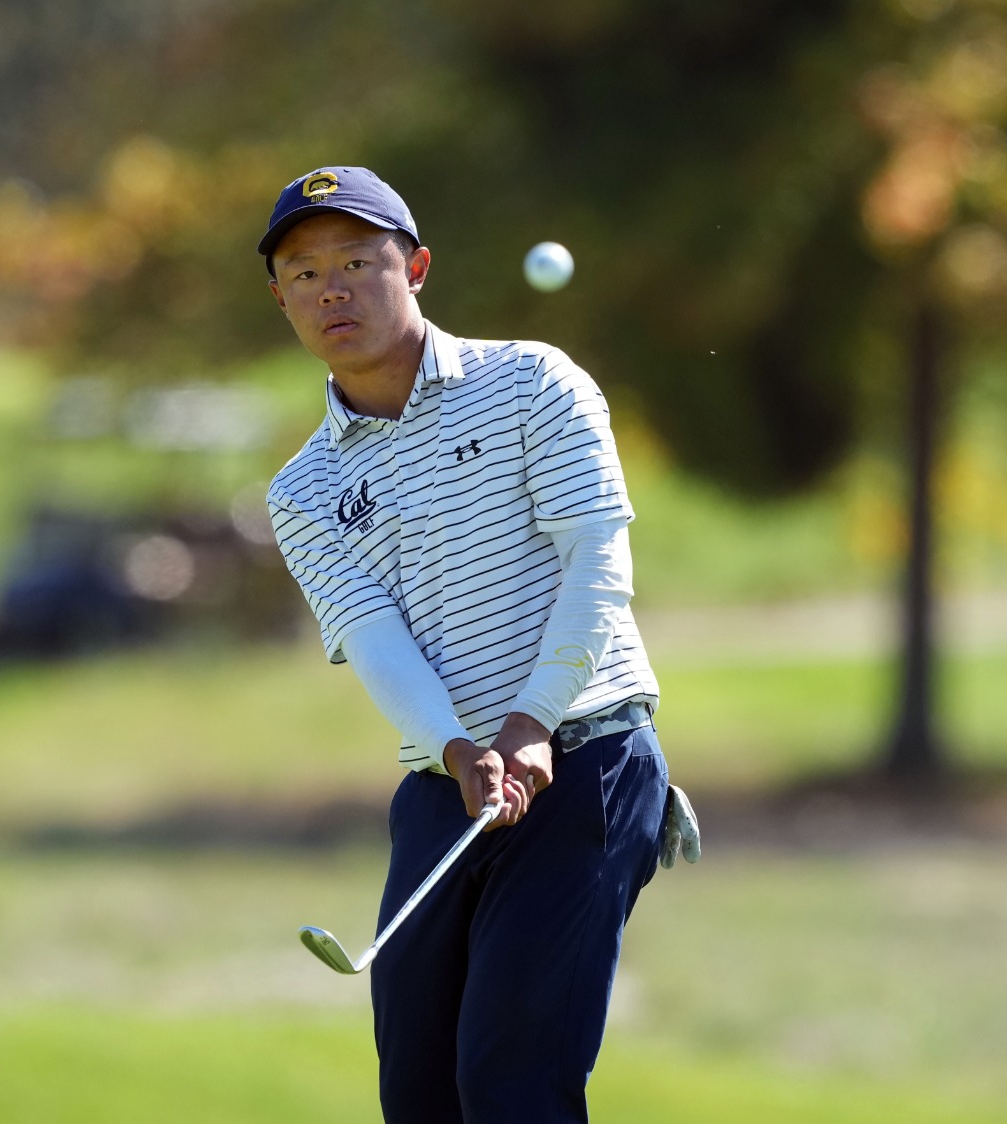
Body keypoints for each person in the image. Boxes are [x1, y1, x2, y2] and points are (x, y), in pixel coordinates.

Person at [258, 166, 698, 1123]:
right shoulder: (300, 492)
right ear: (280, 297)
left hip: (585, 761)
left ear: (415, 268)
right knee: (419, 1095)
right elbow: (374, 638)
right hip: (443, 787)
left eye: (358, 262)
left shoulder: (534, 382)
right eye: (303, 272)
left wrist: (531, 721)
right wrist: (461, 749)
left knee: (512, 1088)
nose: (331, 289)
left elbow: (598, 565)